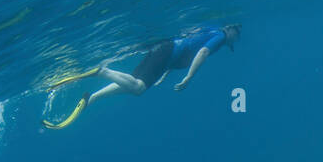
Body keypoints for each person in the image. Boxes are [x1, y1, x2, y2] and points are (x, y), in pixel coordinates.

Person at [43, 23, 241, 129]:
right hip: (166, 53)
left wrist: (165, 71)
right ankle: (102, 71)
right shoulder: (220, 36)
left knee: (131, 83)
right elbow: (202, 52)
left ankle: (91, 98)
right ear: (230, 30)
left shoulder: (210, 29)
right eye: (236, 34)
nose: (235, 38)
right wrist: (189, 77)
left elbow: (188, 45)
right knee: (137, 88)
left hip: (164, 50)